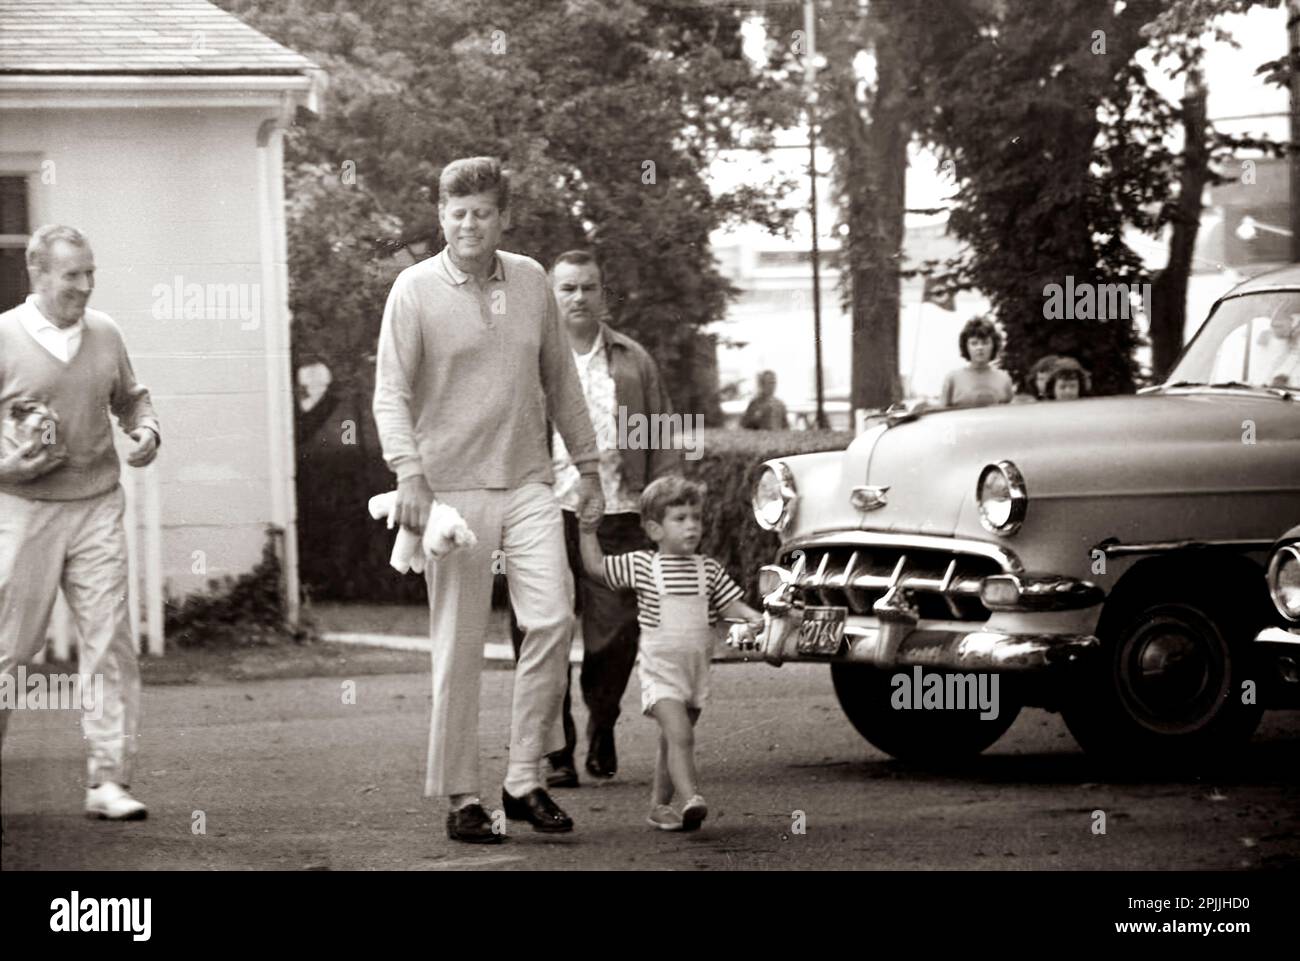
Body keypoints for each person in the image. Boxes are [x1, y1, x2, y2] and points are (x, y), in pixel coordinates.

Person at [373, 157, 604, 844]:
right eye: (457, 211)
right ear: (440, 215)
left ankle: (525, 776)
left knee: (555, 619)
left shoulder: (532, 279)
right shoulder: (413, 290)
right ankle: (464, 795)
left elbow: (561, 380)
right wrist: (409, 473)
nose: (469, 223)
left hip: (528, 479)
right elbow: (391, 391)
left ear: (504, 216)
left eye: (482, 211)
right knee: (459, 647)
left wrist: (588, 467)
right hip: (449, 493)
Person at [0, 224, 161, 821]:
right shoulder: (3, 338)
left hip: (96, 504)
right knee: (9, 650)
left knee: (109, 644)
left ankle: (108, 781)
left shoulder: (105, 333)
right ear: (37, 274)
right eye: (72, 275)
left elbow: (132, 397)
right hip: (22, 510)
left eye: (90, 273)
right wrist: (6, 464)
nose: (86, 286)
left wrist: (146, 431)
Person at [509, 250, 682, 788]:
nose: (578, 297)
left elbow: (660, 436)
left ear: (602, 294)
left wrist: (661, 508)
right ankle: (556, 750)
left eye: (588, 287)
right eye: (567, 288)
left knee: (616, 632)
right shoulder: (528, 356)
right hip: (542, 511)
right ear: (550, 295)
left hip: (618, 514)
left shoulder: (631, 359)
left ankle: (602, 722)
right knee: (540, 631)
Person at [577, 475, 762, 831]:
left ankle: (659, 806)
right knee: (681, 735)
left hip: (695, 673)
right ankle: (692, 797)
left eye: (696, 517)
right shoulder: (644, 565)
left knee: (671, 742)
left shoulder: (708, 570)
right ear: (654, 529)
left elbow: (733, 605)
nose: (692, 525)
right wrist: (587, 532)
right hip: (661, 672)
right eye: (680, 519)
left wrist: (757, 618)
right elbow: (597, 567)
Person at [939, 316, 1014, 408]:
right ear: (965, 347)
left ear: (993, 345)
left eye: (985, 343)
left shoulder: (1004, 379)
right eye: (974, 343)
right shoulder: (952, 379)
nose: (980, 348)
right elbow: (942, 416)